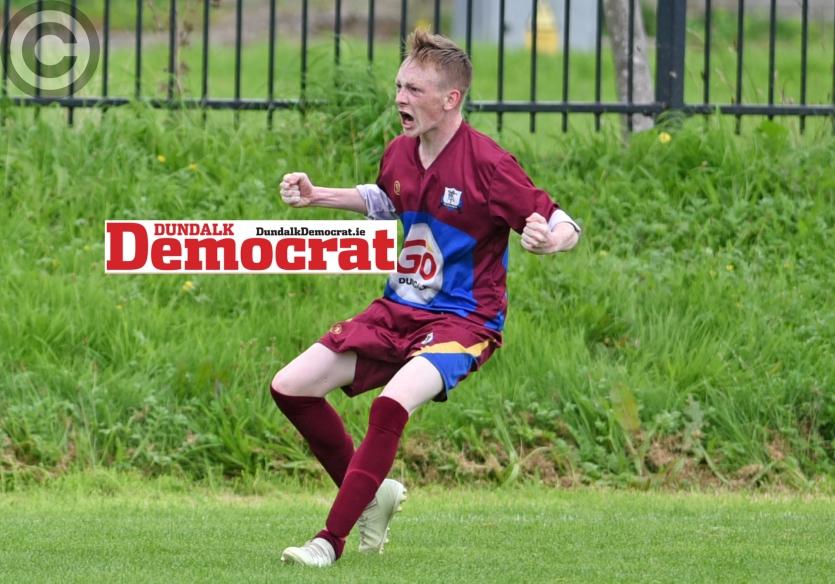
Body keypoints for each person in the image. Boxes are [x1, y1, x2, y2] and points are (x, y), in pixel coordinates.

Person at [271, 29, 581, 568]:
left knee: (392, 402)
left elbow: (560, 219)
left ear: (450, 98)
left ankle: (329, 542)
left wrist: (551, 240)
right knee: (291, 386)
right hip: (399, 309)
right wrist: (319, 195)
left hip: (466, 322)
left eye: (414, 90)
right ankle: (373, 491)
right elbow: (386, 198)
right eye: (398, 87)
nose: (400, 99)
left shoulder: (489, 164)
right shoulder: (400, 151)